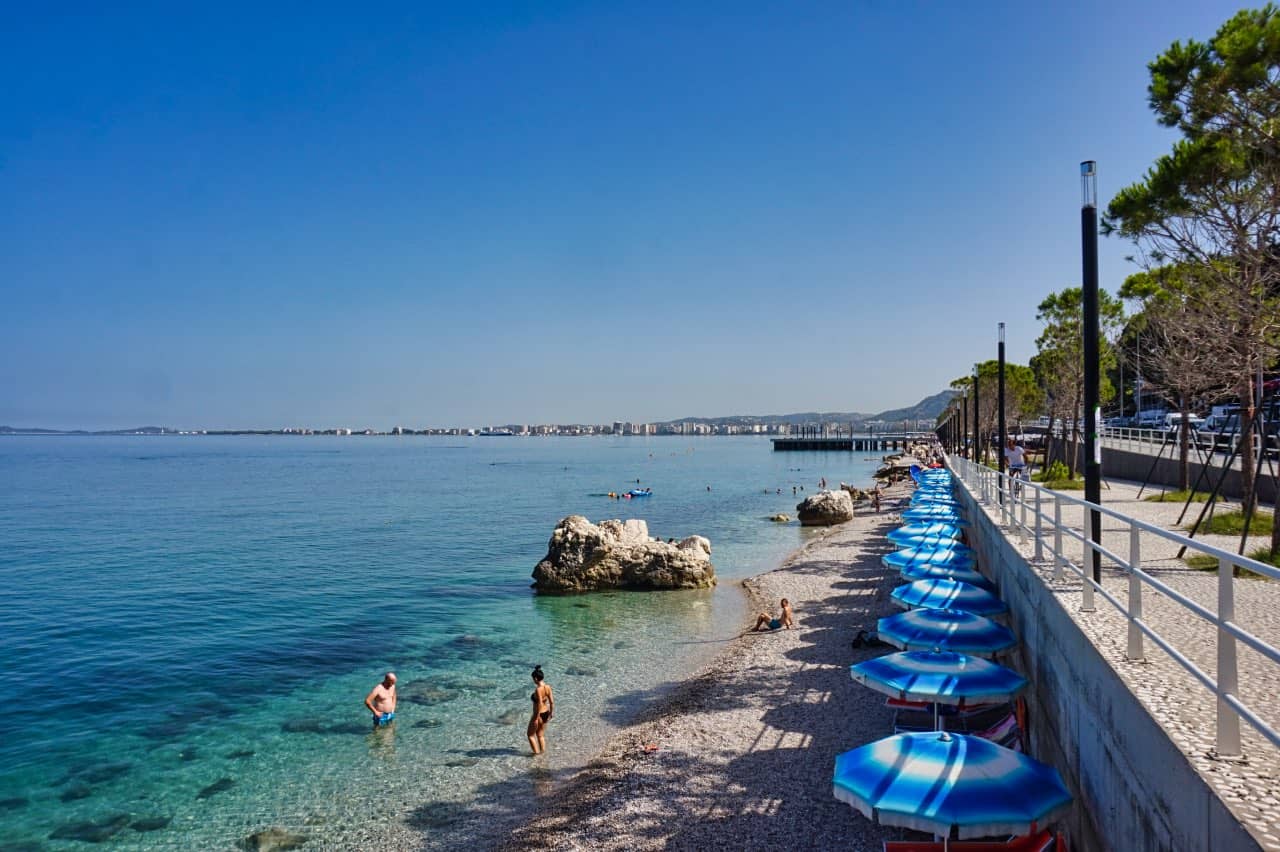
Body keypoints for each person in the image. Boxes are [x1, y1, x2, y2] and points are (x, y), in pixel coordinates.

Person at [527, 665, 554, 755]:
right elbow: (551, 702)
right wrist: (551, 713)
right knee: (540, 735)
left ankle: (536, 755)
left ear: (535, 678)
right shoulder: (548, 687)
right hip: (546, 713)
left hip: (538, 714)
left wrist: (536, 717)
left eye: (533, 679)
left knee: (530, 735)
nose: (533, 681)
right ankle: (542, 753)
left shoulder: (538, 689)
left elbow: (539, 703)